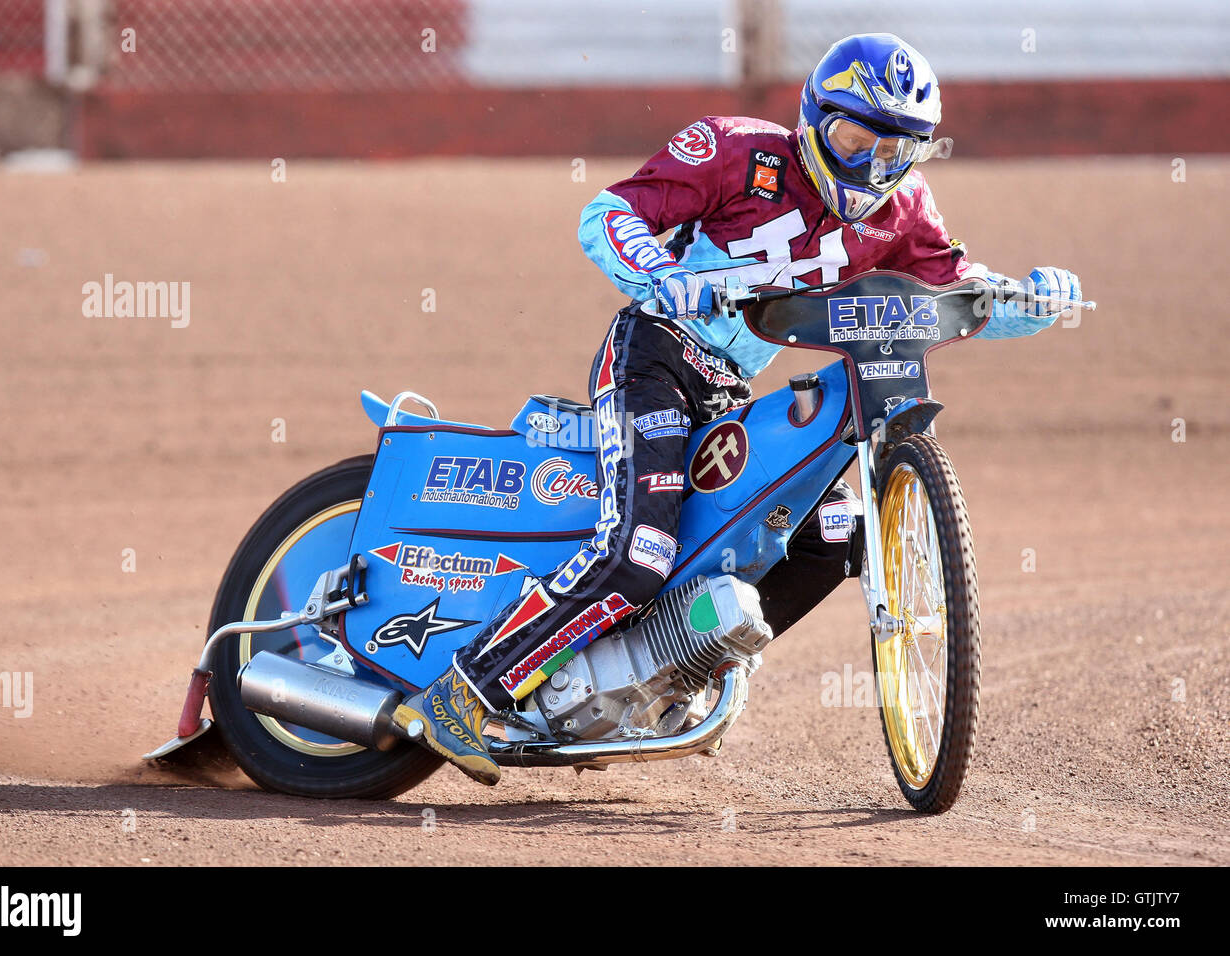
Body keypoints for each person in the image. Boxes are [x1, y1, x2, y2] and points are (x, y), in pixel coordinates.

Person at [392, 32, 1082, 785]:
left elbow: (953, 293)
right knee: (640, 552)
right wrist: (659, 273)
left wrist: (1032, 301)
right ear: (814, 116)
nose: (872, 169)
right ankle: (463, 693)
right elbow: (608, 213)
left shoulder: (906, 207)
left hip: (729, 393)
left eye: (897, 151)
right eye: (856, 140)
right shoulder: (732, 149)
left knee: (834, 534)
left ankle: (682, 666)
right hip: (654, 357)